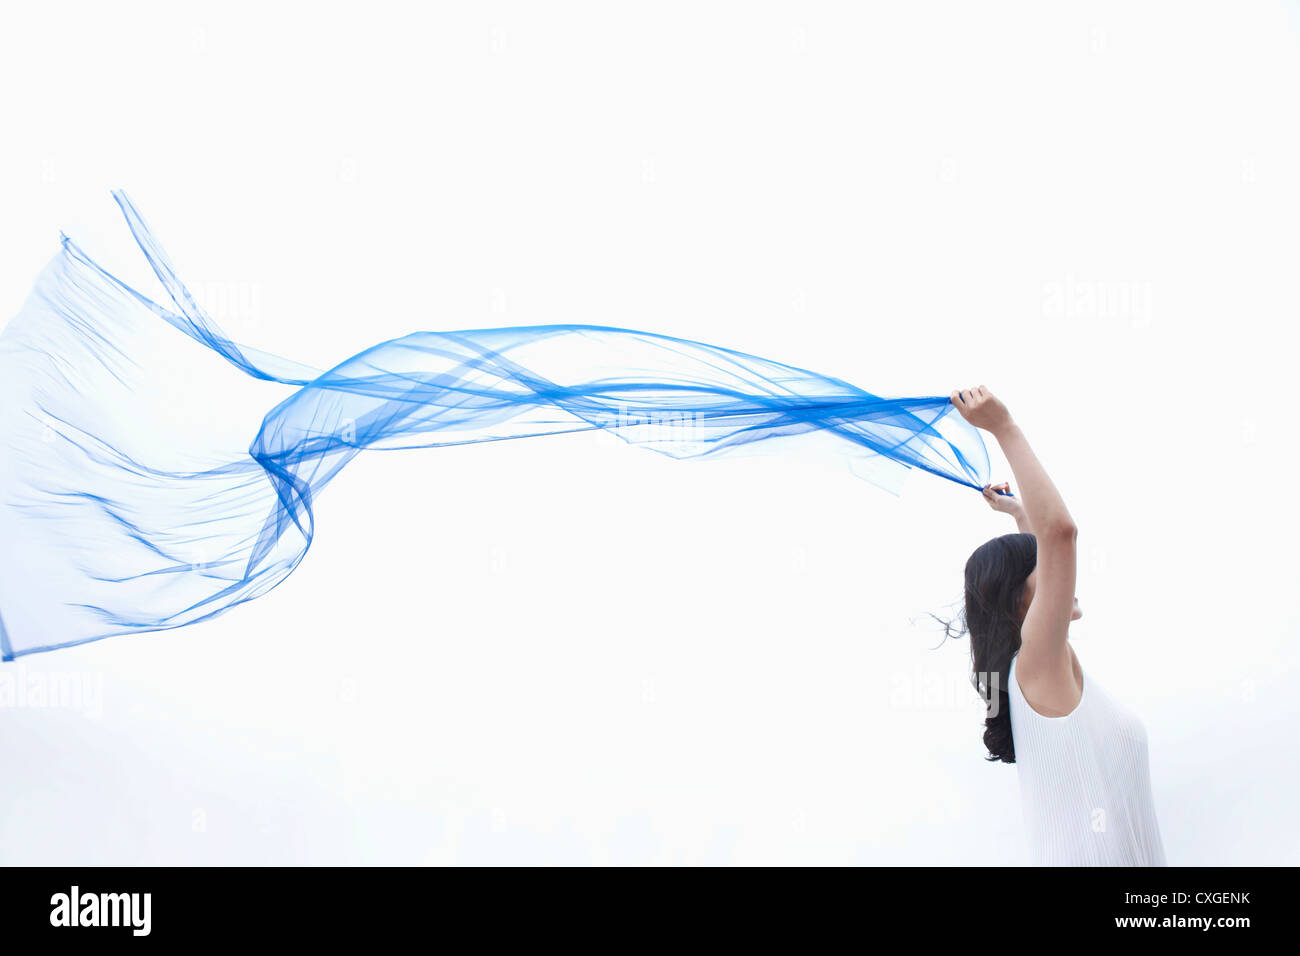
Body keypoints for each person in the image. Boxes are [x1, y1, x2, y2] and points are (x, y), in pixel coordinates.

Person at [949, 386, 1166, 866]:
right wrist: (1003, 425)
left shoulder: (1042, 669)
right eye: (1043, 571)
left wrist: (1017, 513)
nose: (1060, 577)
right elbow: (1060, 533)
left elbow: (1043, 548)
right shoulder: (1035, 664)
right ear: (1023, 604)